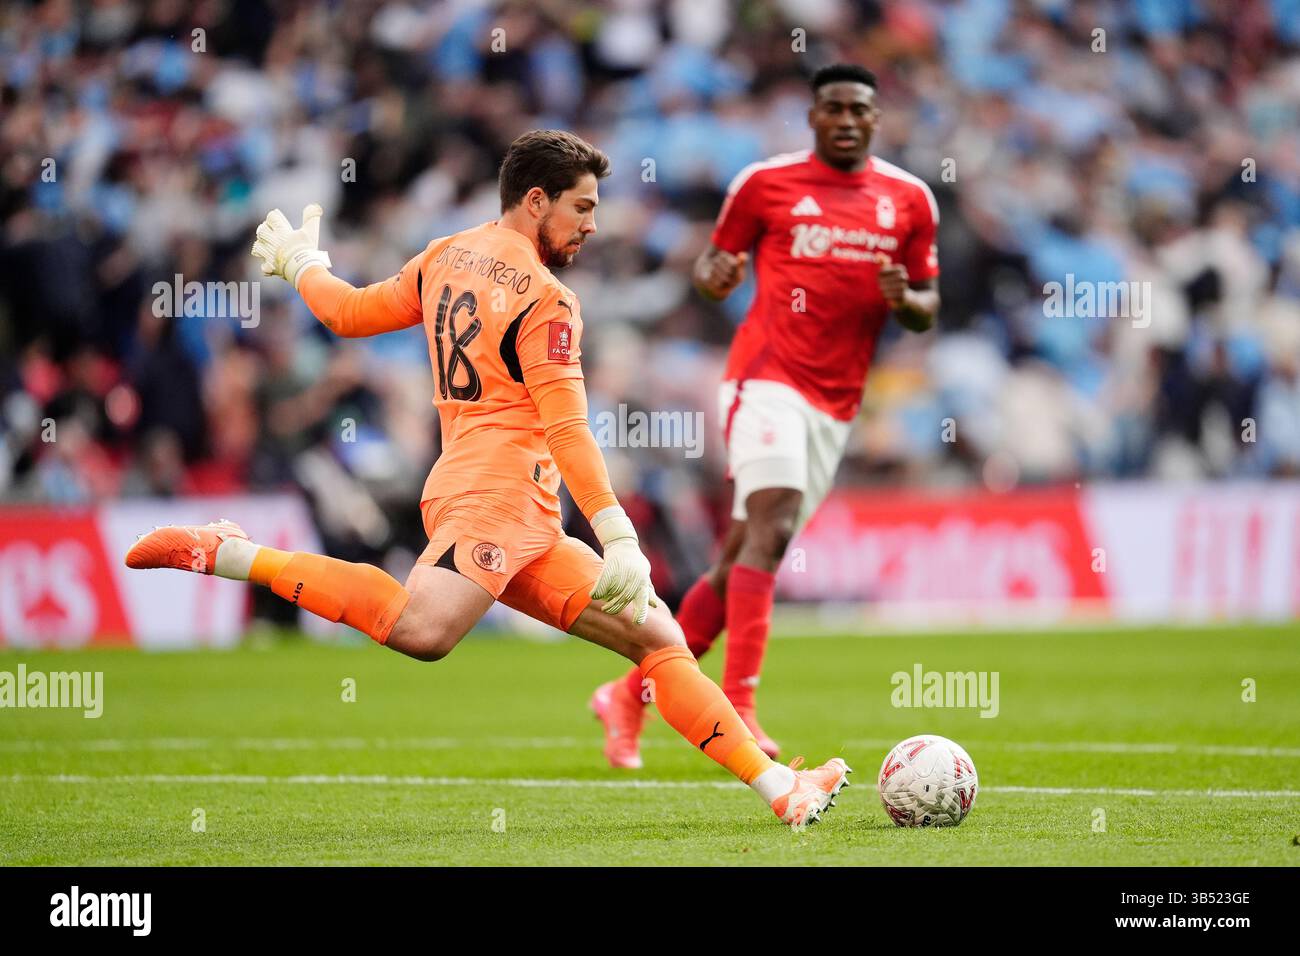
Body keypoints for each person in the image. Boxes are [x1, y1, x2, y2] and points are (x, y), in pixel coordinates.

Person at [125, 129, 850, 828]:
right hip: (491, 496)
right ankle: (225, 552)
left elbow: (348, 312)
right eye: (583, 207)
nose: (593, 225)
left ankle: (782, 789)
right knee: (423, 631)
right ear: (536, 201)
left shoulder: (448, 253)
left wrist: (302, 265)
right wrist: (617, 531)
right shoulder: (546, 297)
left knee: (659, 638)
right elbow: (568, 427)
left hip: (513, 506)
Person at [591, 64, 941, 768]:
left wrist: (906, 300)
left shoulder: (909, 200)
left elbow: (928, 307)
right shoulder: (765, 184)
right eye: (833, 108)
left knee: (739, 560)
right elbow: (713, 264)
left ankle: (629, 694)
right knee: (772, 530)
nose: (847, 120)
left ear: (877, 120)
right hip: (765, 379)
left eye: (860, 110)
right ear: (812, 117)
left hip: (837, 404)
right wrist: (713, 276)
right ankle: (741, 706)